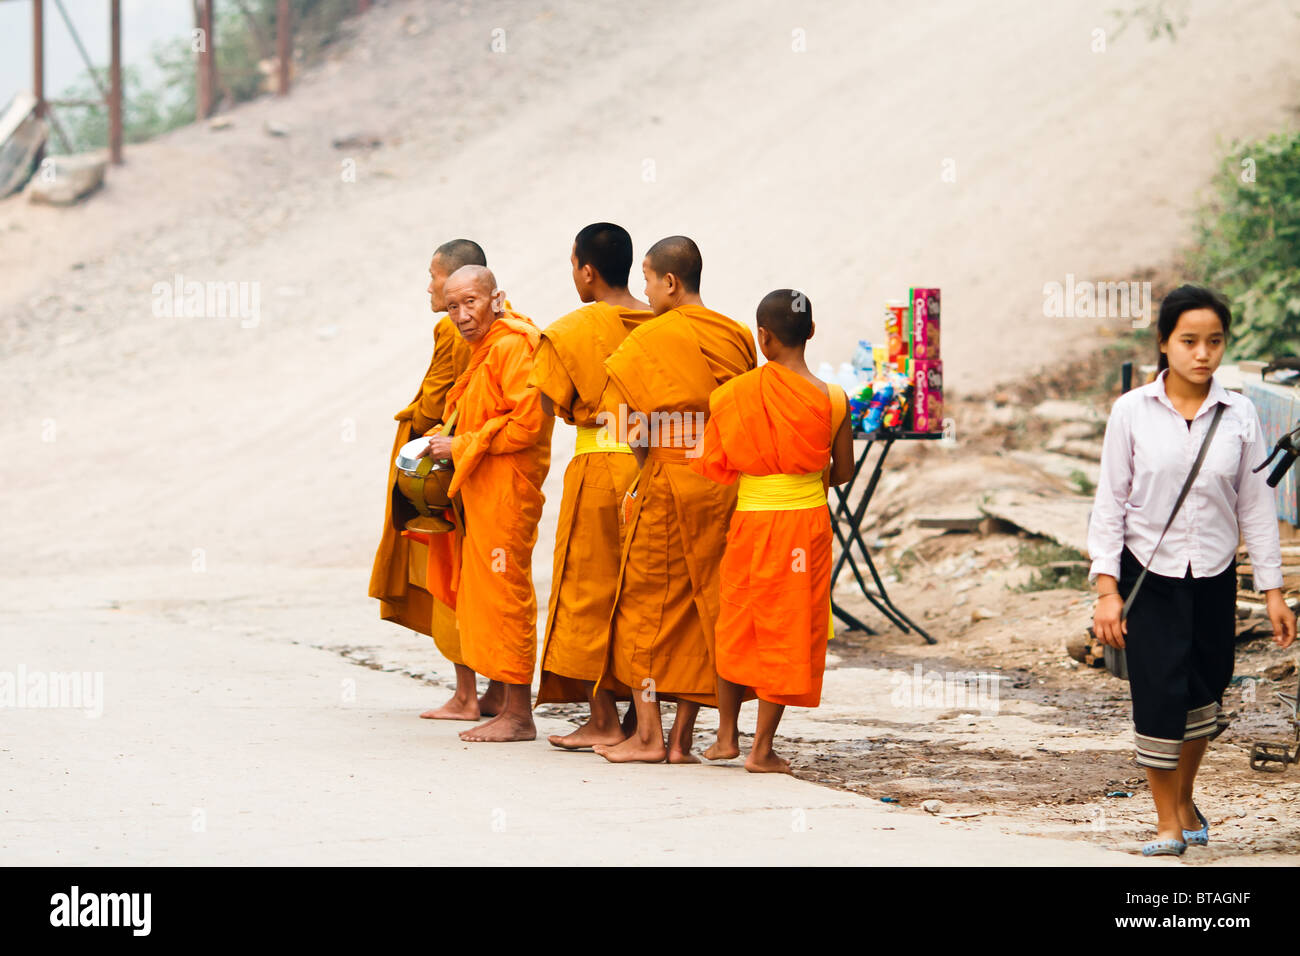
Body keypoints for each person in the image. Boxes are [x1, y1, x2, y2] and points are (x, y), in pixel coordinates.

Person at [1088, 284, 1295, 856]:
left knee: (1206, 688)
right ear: (1163, 343)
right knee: (1158, 691)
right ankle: (1166, 824)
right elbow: (1110, 503)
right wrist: (1107, 589)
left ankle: (1183, 795)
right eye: (1189, 341)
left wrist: (1273, 591)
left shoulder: (1240, 413)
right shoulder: (1131, 412)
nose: (1202, 354)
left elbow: (1255, 506)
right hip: (1148, 577)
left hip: (1213, 576)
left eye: (1214, 341)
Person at [592, 236, 757, 764]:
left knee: (644, 610)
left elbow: (625, 426)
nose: (644, 290)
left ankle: (648, 736)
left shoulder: (649, 339)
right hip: (725, 487)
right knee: (702, 606)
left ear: (669, 282)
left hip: (667, 481)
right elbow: (743, 408)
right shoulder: (735, 334)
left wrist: (652, 469)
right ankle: (684, 740)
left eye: (646, 280)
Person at [690, 289, 854, 772]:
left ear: (761, 337)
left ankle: (725, 738)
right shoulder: (833, 398)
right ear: (812, 331)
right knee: (789, 626)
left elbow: (715, 464)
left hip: (750, 522)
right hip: (804, 526)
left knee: (736, 621)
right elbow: (843, 471)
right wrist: (804, 477)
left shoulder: (731, 396)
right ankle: (762, 749)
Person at [529, 224, 654, 749]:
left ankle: (602, 717)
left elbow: (546, 411)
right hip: (655, 468)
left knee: (587, 593)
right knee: (641, 594)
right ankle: (637, 722)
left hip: (599, 469)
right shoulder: (662, 322)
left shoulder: (572, 329)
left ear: (586, 270)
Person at [423, 265, 554, 742]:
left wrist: (462, 445)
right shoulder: (487, 348)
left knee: (505, 595)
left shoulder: (515, 344)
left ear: (497, 298)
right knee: (486, 594)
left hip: (508, 490)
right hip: (485, 489)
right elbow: (486, 413)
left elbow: (527, 425)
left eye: (471, 303)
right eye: (453, 306)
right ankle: (500, 699)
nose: (461, 315)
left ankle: (519, 716)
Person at [368, 239, 492, 720]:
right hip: (480, 461)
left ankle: (466, 694)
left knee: (449, 576)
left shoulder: (451, 328)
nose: (429, 286)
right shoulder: (504, 325)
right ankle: (497, 686)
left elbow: (437, 404)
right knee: (483, 577)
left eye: (434, 275)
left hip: (447, 467)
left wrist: (409, 419)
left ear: (459, 281)